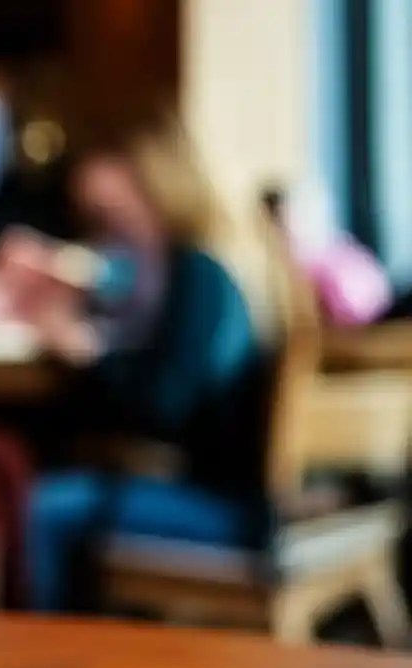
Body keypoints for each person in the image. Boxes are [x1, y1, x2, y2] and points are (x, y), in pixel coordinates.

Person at [19, 118, 269, 613]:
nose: (106, 237)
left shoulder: (201, 276)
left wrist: (91, 356)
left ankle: (47, 648)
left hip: (226, 509)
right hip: (212, 490)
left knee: (40, 509)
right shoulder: (183, 271)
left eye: (114, 217)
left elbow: (163, 405)